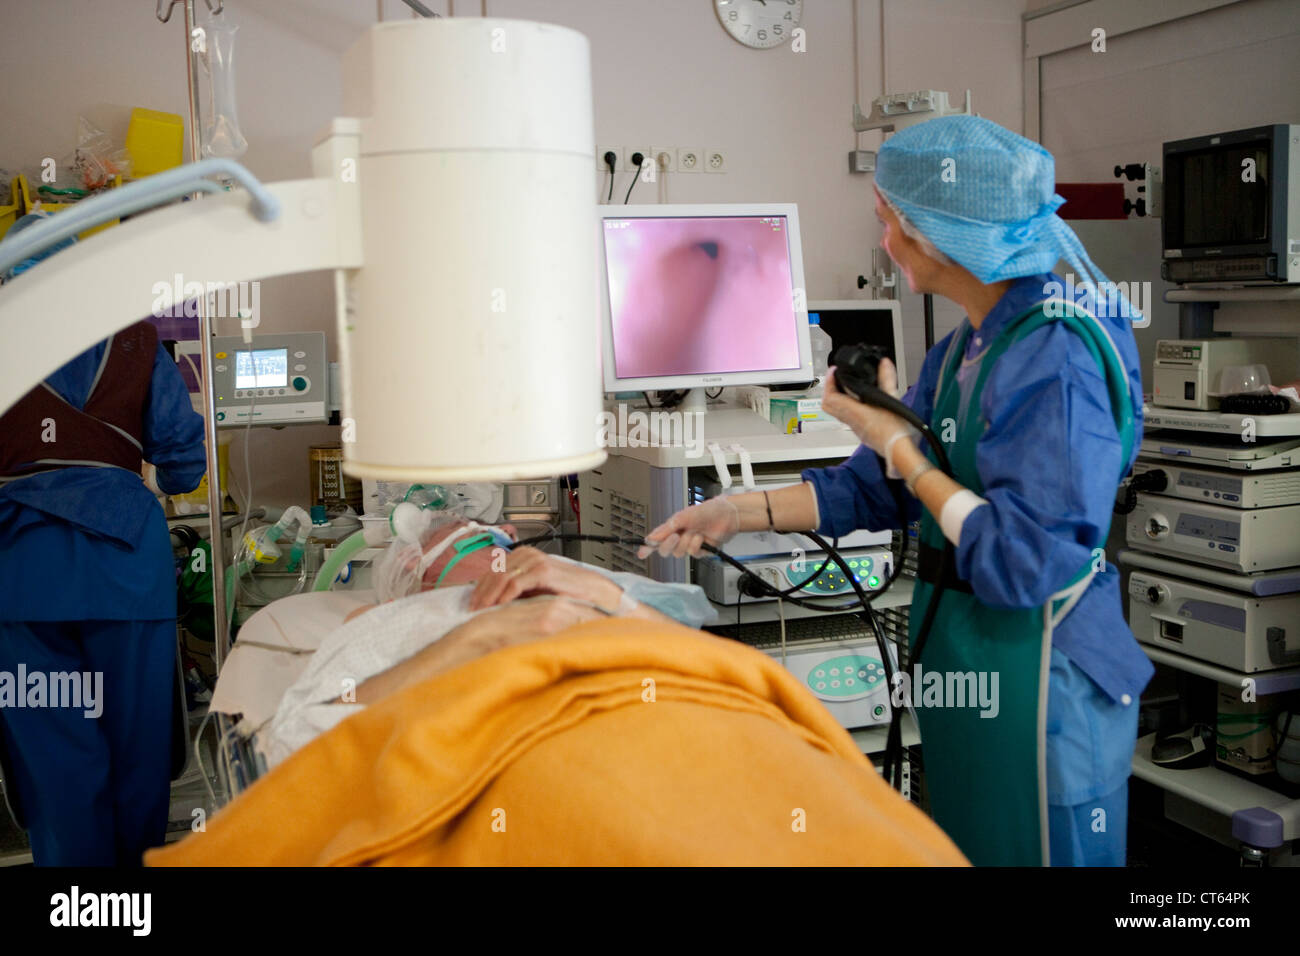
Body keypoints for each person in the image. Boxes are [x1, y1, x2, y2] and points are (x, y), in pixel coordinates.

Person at [641, 116, 1154, 866]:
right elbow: (871, 493)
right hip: (967, 663)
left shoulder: (1058, 359)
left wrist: (903, 452)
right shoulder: (962, 354)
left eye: (890, 223)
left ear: (939, 235)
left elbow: (1025, 561)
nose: (886, 242)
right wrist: (734, 512)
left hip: (1044, 682)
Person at [0, 213, 207, 865]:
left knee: (55, 757)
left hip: (22, 576)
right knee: (138, 750)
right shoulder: (136, 343)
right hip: (126, 572)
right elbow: (183, 462)